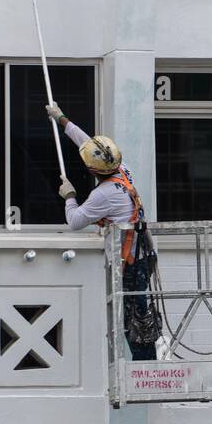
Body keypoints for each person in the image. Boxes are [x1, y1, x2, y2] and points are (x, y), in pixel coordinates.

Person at [47, 102, 160, 360]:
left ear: (91, 170)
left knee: (135, 320)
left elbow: (75, 221)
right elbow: (87, 144)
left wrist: (70, 195)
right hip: (142, 255)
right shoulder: (123, 170)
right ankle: (144, 366)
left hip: (131, 264)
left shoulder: (103, 194)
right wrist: (62, 119)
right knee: (138, 315)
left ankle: (145, 371)